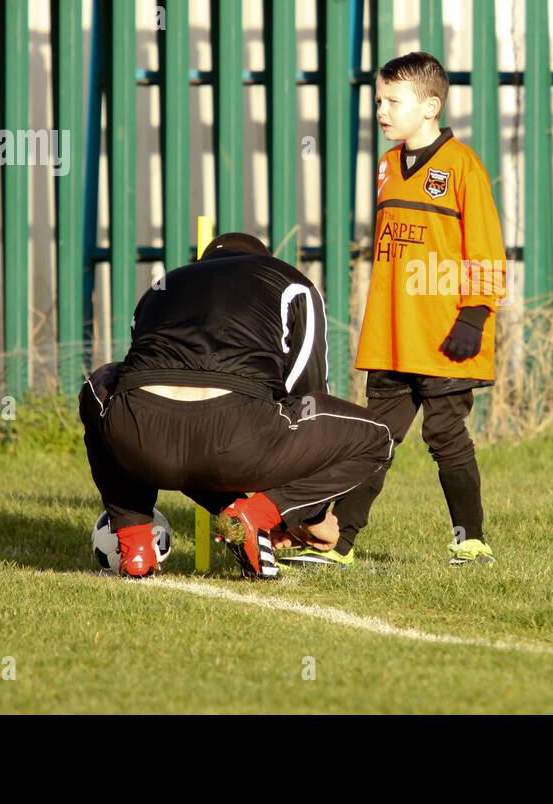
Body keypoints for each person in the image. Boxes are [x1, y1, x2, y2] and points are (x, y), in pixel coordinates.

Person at [280, 51, 507, 569]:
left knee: (445, 437)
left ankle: (469, 540)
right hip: (391, 338)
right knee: (372, 441)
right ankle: (339, 543)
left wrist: (474, 316)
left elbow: (488, 249)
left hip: (445, 336)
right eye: (378, 100)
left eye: (392, 101)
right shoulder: (386, 166)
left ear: (430, 106)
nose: (381, 111)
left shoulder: (463, 168)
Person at [78, 232, 395, 579]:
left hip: (142, 440)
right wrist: (307, 513)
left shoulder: (164, 285)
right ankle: (257, 516)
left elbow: (139, 376)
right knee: (378, 437)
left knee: (101, 383)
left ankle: (135, 544)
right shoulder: (293, 284)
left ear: (204, 264)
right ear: (263, 260)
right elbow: (307, 392)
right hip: (236, 436)